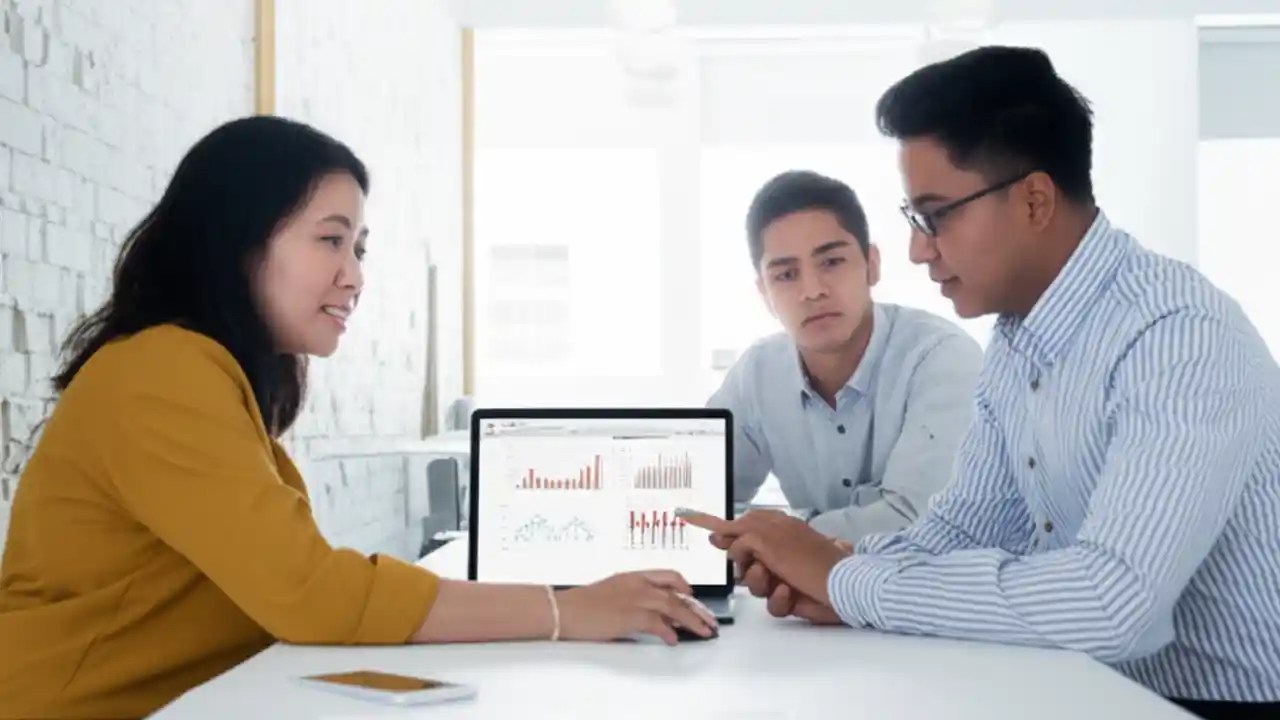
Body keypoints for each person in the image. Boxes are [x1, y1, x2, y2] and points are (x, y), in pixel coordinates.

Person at [0, 116, 716, 719]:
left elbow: (293, 592)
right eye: (330, 240)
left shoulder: (201, 373)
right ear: (237, 240)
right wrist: (566, 611)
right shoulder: (159, 372)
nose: (355, 275)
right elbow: (312, 594)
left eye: (359, 248)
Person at [684, 46, 1280, 720]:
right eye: (914, 220)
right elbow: (961, 528)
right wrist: (835, 568)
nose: (919, 249)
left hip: (1211, 703)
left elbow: (1112, 603)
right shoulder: (1017, 339)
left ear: (1033, 200)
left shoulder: (1178, 335)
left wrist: (845, 580)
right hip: (1088, 688)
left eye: (936, 216)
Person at [707, 170, 982, 543]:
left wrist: (777, 542)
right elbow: (701, 501)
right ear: (764, 293)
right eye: (786, 275)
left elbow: (918, 522)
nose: (812, 291)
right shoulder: (757, 374)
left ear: (872, 265)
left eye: (832, 262)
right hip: (803, 580)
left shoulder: (941, 359)